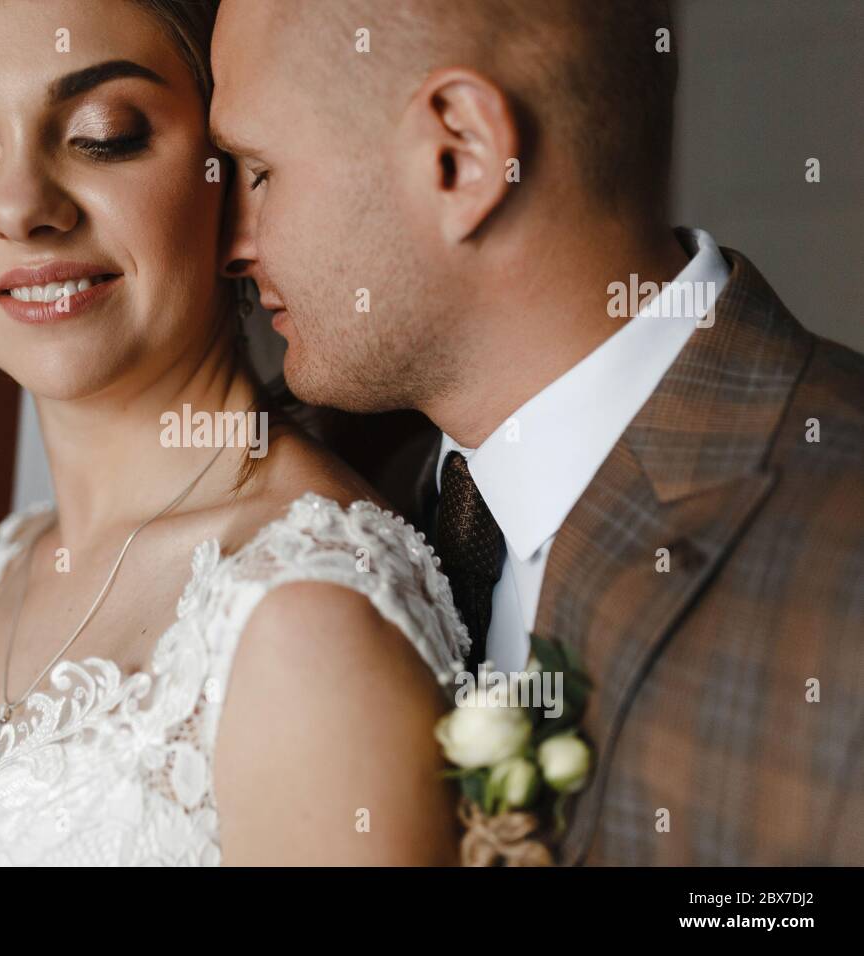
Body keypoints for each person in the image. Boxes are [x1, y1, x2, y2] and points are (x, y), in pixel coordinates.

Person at [209, 0, 864, 864]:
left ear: (461, 157)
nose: (233, 245)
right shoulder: (347, 505)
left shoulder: (840, 563)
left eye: (258, 171)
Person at [0, 0, 466, 866]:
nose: (20, 207)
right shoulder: (6, 564)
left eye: (103, 134)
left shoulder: (309, 617)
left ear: (232, 172)